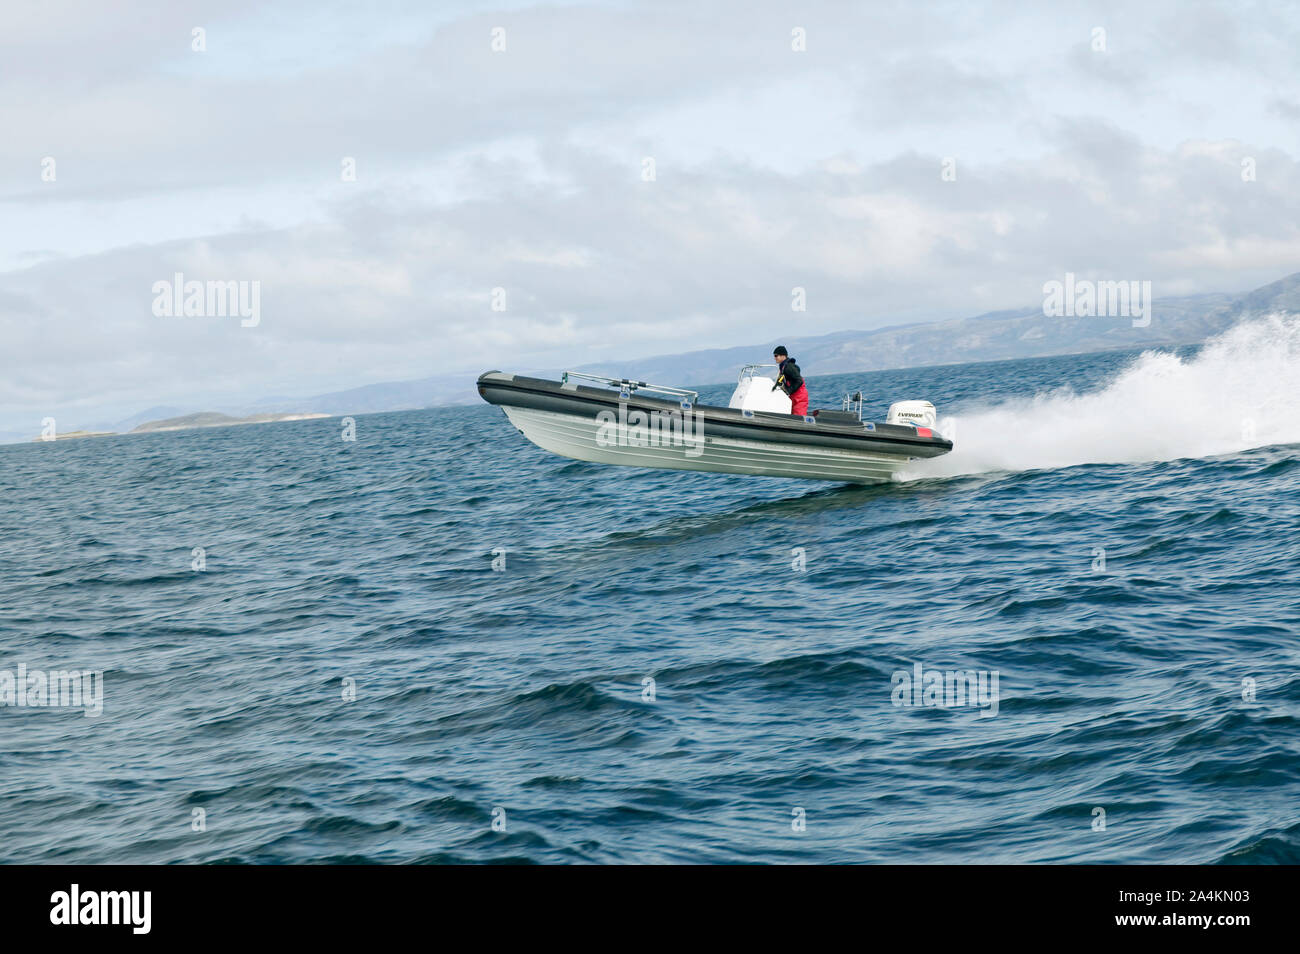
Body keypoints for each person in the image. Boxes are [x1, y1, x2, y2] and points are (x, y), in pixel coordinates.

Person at [772, 346, 808, 416]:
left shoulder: (789, 367)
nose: (775, 358)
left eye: (776, 356)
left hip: (799, 398)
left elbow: (799, 381)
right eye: (774, 356)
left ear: (783, 356)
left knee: (798, 418)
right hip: (793, 397)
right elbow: (781, 380)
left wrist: (789, 391)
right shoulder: (783, 367)